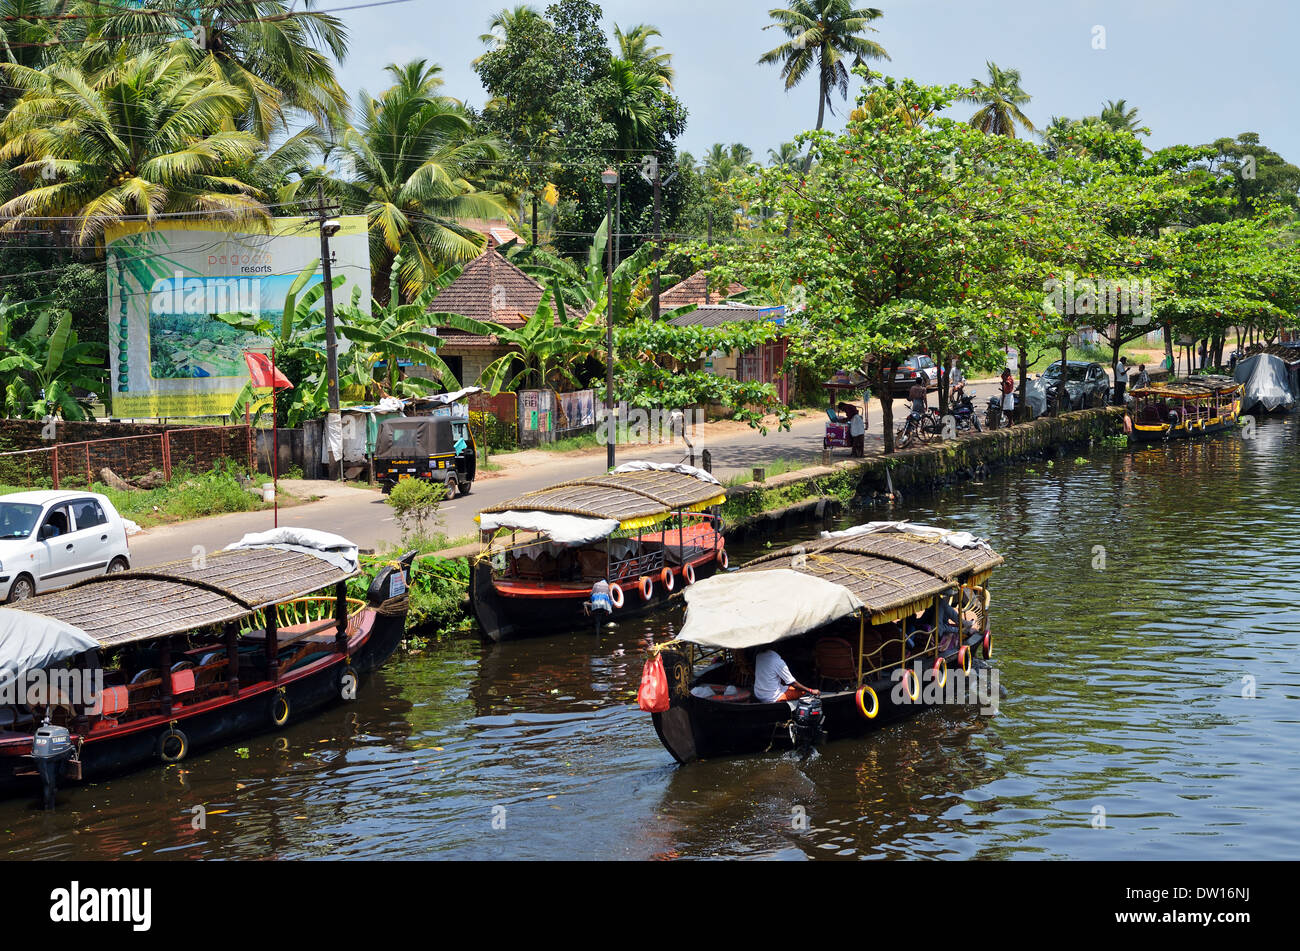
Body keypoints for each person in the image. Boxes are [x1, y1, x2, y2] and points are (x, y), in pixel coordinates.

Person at [754, 648, 819, 703]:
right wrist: (811, 690)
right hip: (772, 697)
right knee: (802, 692)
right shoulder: (776, 660)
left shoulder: (759, 656)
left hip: (759, 694)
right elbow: (793, 683)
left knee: (791, 688)